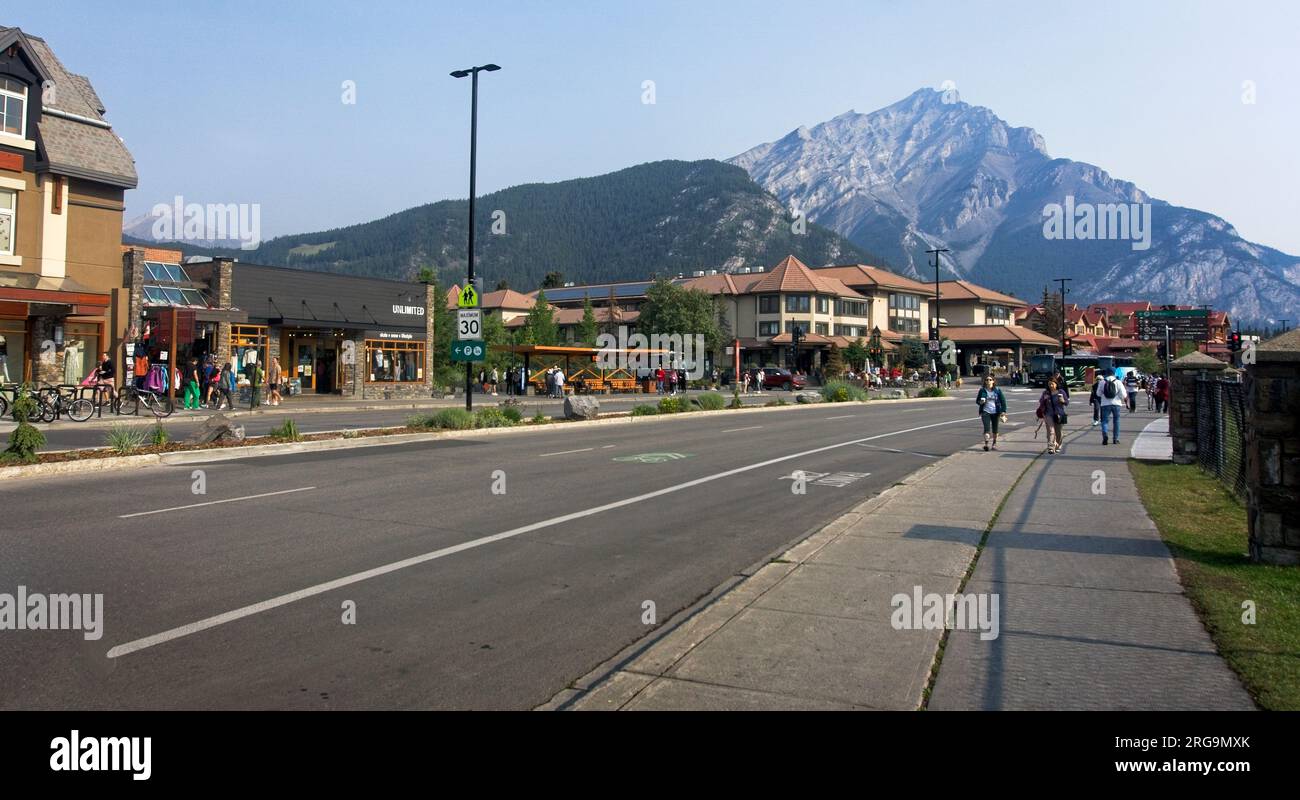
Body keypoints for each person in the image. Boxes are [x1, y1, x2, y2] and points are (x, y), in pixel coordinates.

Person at [1037, 378, 1069, 454]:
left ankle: (1058, 445)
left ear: (1056, 384)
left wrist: (1063, 401)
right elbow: (1040, 402)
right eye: (1049, 384)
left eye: (1052, 384)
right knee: (1051, 431)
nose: (1051, 385)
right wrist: (1044, 399)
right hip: (1048, 414)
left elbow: (1067, 402)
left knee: (1058, 432)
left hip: (1059, 414)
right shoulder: (1046, 393)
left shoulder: (1061, 392)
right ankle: (1050, 447)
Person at [1097, 367, 1128, 445]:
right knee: (1116, 421)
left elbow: (1098, 394)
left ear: (1106, 373)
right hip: (1116, 403)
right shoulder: (1118, 382)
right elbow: (1123, 395)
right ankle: (1115, 439)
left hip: (1105, 404)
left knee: (1104, 421)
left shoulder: (1102, 382)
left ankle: (1105, 435)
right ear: (1114, 373)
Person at [976, 375, 1007, 451]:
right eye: (987, 380)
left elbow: (1003, 401)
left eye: (990, 379)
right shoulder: (982, 390)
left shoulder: (997, 390)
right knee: (986, 429)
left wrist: (1003, 411)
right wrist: (981, 402)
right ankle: (986, 444)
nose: (988, 381)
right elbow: (977, 401)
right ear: (985, 381)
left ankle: (994, 443)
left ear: (993, 381)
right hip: (985, 411)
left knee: (995, 429)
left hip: (996, 412)